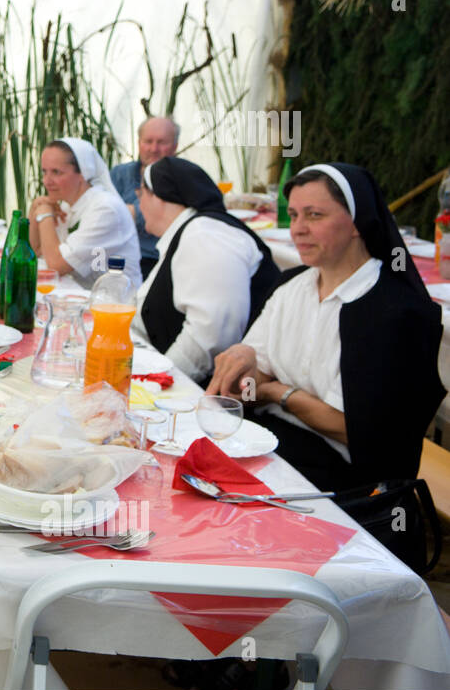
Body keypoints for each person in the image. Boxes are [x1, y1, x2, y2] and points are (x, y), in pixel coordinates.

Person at [207, 163, 444, 487]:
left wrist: (278, 392)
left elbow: (358, 429)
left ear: (357, 222)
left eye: (315, 215)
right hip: (270, 441)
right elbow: (250, 383)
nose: (297, 229)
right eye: (294, 215)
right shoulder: (292, 286)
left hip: (346, 475)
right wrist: (242, 369)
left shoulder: (397, 311)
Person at [132, 156, 280, 384]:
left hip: (221, 394)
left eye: (140, 194)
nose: (139, 204)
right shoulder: (188, 233)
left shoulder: (206, 234)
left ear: (158, 197)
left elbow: (209, 338)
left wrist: (157, 382)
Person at [28, 137, 142, 289]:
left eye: (56, 172)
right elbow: (33, 253)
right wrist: (35, 210)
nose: (47, 181)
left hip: (114, 304)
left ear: (82, 174)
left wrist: (44, 216)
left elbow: (55, 266)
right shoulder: (68, 203)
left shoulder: (105, 210)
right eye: (44, 172)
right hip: (85, 296)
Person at [111, 116, 179, 277]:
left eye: (162, 142)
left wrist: (130, 212)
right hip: (117, 260)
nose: (153, 149)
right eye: (148, 141)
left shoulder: (184, 179)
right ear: (139, 143)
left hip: (160, 262)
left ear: (175, 146)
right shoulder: (119, 174)